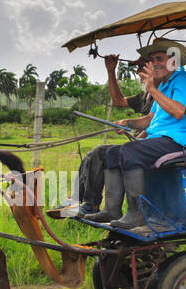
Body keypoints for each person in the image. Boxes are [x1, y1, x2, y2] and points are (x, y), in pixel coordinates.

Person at [83, 38, 186, 234]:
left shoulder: (183, 80)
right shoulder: (164, 85)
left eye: (159, 58)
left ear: (173, 61)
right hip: (161, 139)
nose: (155, 62)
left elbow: (179, 111)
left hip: (180, 141)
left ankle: (136, 213)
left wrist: (152, 89)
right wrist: (129, 124)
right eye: (153, 58)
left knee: (130, 152)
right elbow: (150, 119)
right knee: (113, 152)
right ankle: (111, 210)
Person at [60, 52, 155, 218]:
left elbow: (153, 122)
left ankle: (91, 205)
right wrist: (111, 71)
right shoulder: (146, 96)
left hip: (151, 145)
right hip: (142, 143)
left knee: (101, 152)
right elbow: (119, 101)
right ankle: (79, 200)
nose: (139, 72)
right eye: (138, 68)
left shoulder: (162, 93)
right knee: (92, 156)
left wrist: (133, 132)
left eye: (142, 67)